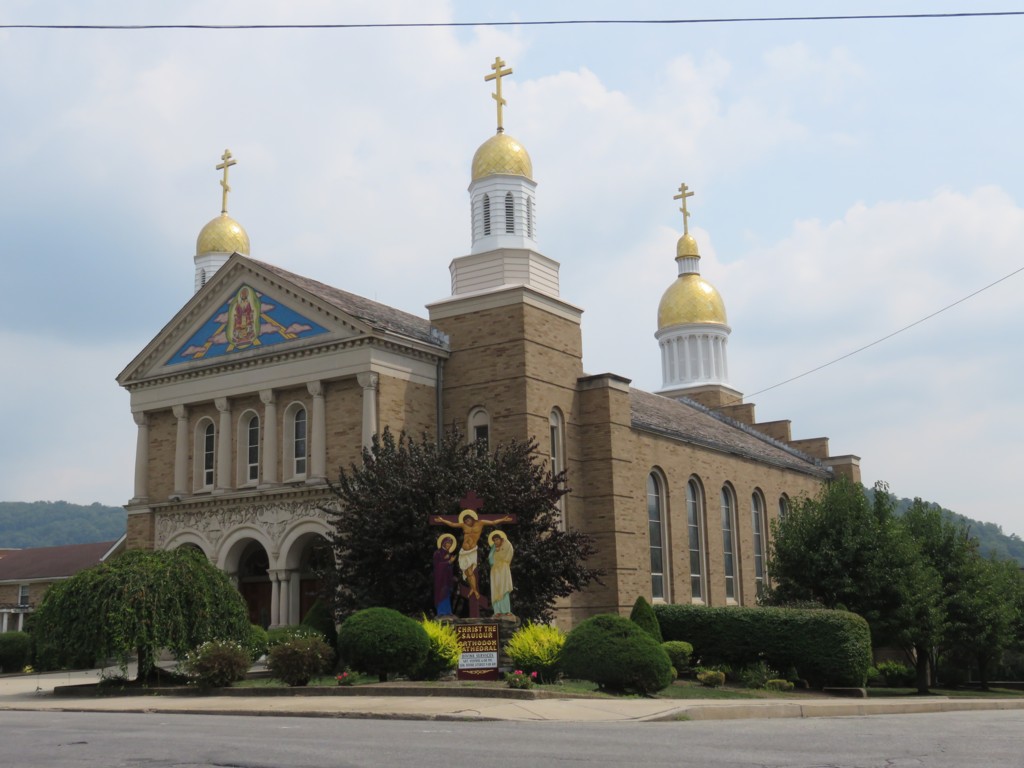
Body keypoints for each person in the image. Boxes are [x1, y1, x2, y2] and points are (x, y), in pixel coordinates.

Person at [431, 509, 513, 599]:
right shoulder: (463, 525)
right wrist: (442, 520)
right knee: (467, 572)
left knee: (470, 572)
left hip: (472, 551)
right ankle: (473, 589)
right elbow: (453, 524)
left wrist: (503, 519)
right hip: (463, 551)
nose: (466, 522)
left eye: (468, 520)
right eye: (465, 521)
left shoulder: (480, 523)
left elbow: (493, 522)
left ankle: (475, 590)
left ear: (472, 518)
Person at [488, 530, 514, 618]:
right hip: (495, 572)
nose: (496, 541)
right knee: (496, 590)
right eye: (494, 540)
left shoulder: (506, 546)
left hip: (503, 569)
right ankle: (497, 611)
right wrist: (494, 551)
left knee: (504, 589)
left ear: (501, 539)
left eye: (497, 539)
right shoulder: (493, 549)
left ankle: (506, 610)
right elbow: (490, 560)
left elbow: (510, 551)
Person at [432, 534, 457, 617]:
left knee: (447, 594)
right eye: (447, 543)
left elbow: (449, 568)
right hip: (440, 579)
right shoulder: (437, 553)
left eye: (450, 544)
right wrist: (449, 562)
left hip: (447, 579)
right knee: (441, 594)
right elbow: (437, 566)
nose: (449, 545)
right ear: (443, 543)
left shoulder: (448, 554)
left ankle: (448, 611)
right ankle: (441, 612)